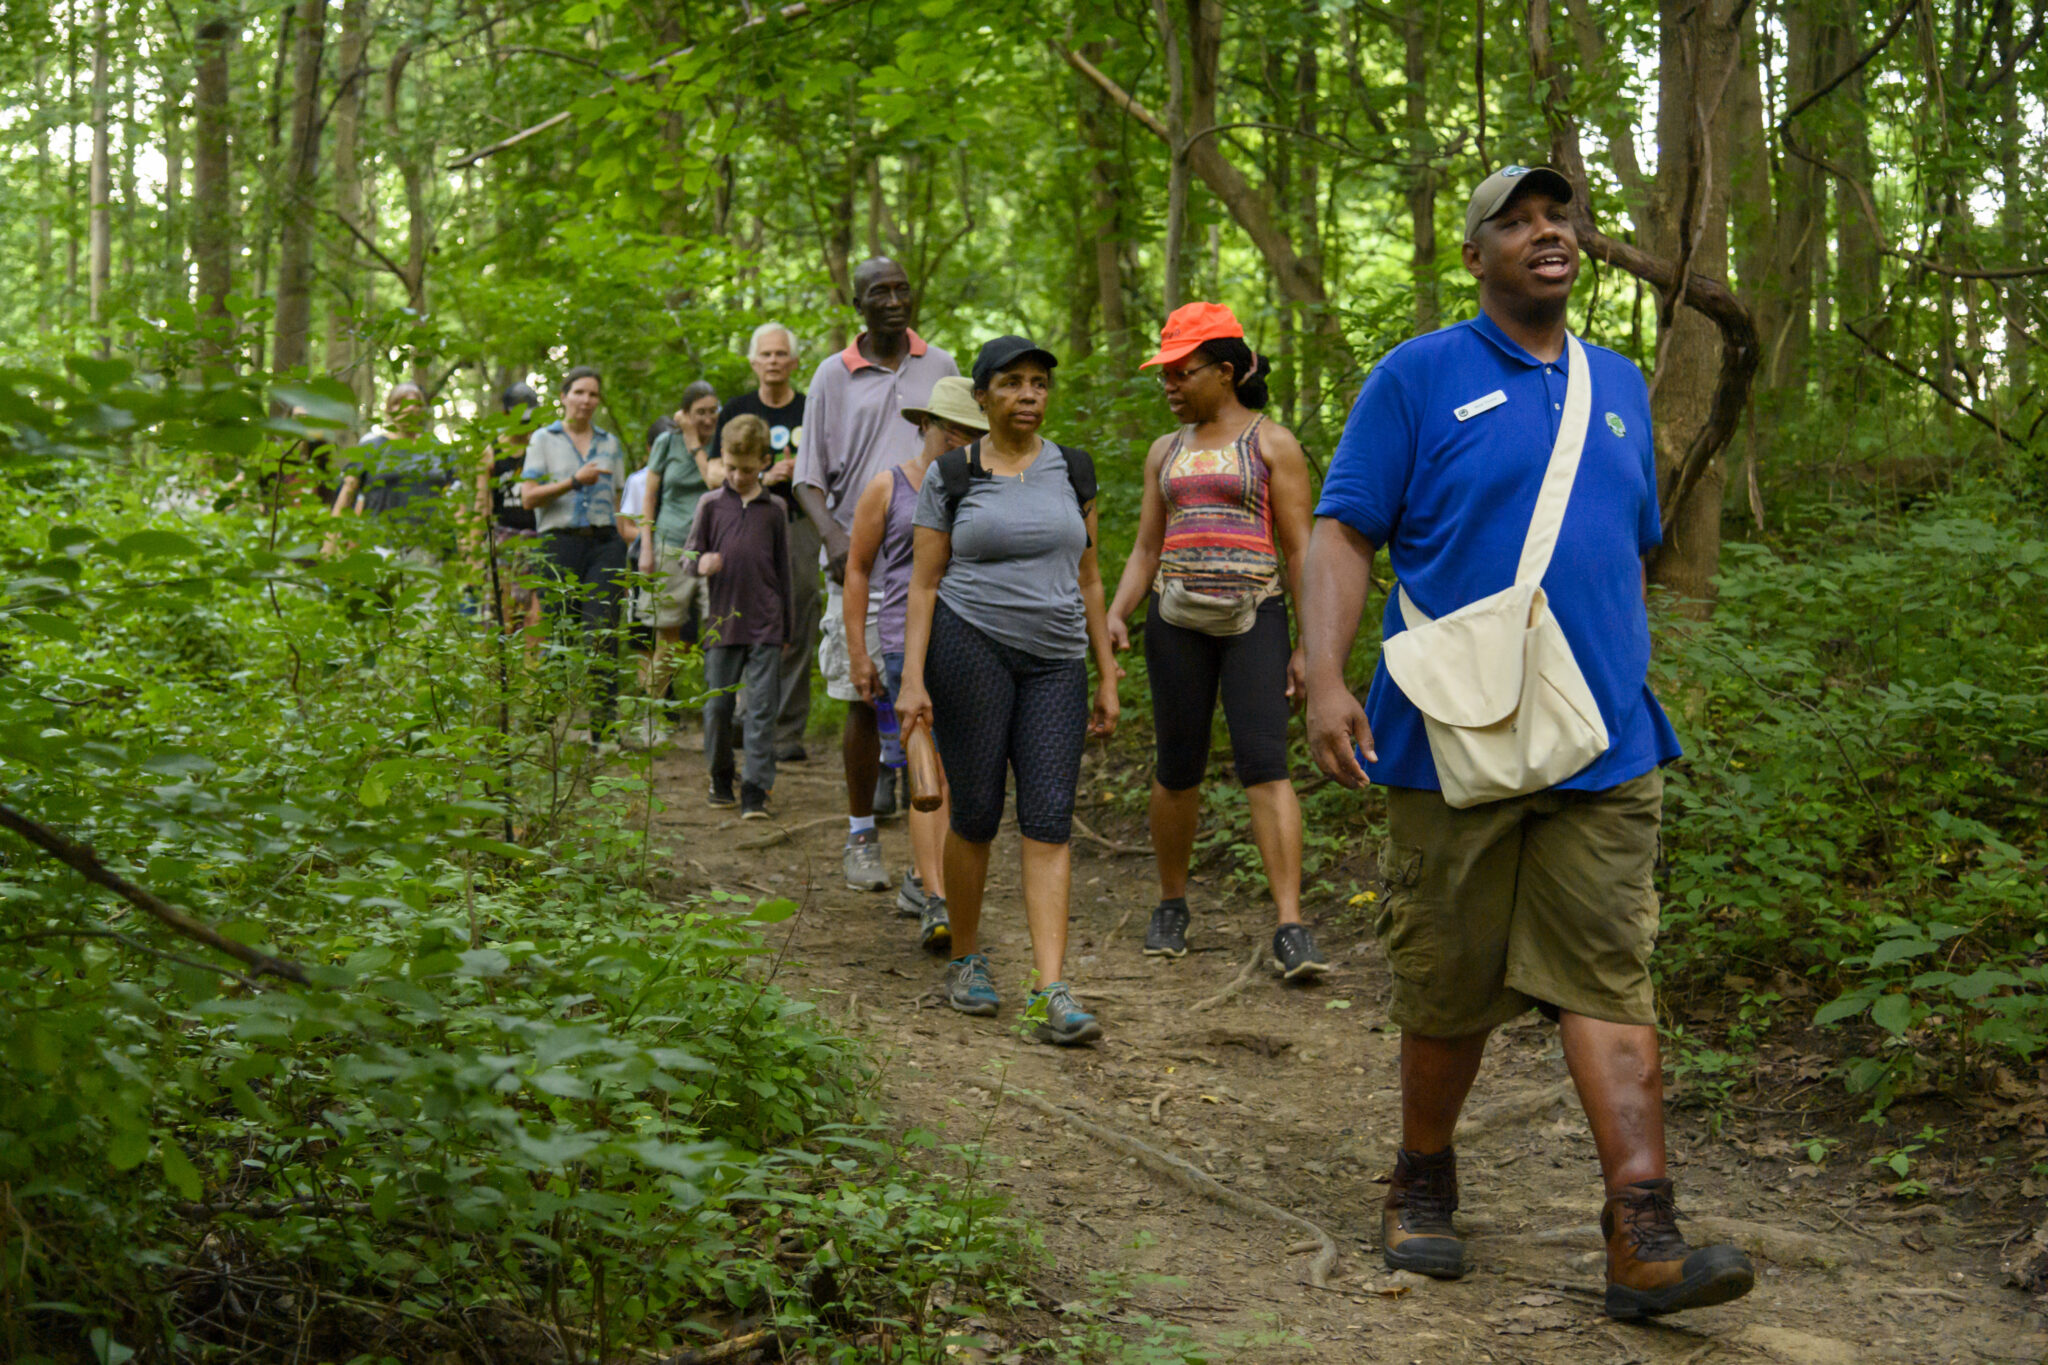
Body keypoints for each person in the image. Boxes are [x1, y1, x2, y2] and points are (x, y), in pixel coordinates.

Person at [1299, 166, 1755, 1318]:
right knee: (1446, 982)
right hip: (1450, 738)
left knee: (1610, 970)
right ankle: (1420, 1179)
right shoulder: (1415, 377)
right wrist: (1320, 679)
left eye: (1557, 218)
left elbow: (1628, 550)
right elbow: (1344, 533)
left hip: (1602, 744)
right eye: (1516, 221)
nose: (1545, 233)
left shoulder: (1617, 383)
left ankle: (1641, 1232)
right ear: (1475, 257)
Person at [895, 337, 1119, 1048]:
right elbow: (924, 585)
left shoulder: (1071, 469)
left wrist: (1108, 671)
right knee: (980, 810)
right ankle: (966, 958)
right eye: (1014, 383)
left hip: (1057, 661)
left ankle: (1051, 986)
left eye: (1040, 384)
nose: (1030, 394)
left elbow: (1089, 578)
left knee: (1050, 817)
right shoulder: (954, 475)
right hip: (970, 648)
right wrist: (910, 680)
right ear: (984, 396)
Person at [1107, 303, 1329, 981]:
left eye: (1182, 371)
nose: (1169, 384)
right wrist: (1116, 613)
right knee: (1177, 767)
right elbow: (1148, 546)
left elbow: (1301, 551)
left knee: (1265, 764)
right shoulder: (1164, 452)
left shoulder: (1272, 443)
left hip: (1254, 618)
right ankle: (1171, 904)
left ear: (1225, 371)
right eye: (1164, 374)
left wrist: (1308, 645)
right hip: (1176, 621)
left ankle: (1290, 924)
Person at [794, 260, 959, 891]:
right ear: (857, 303)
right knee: (862, 697)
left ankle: (932, 858)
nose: (893, 301)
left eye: (901, 289)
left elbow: (963, 447)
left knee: (931, 696)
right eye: (878, 293)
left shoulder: (941, 365)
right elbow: (809, 475)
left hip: (933, 559)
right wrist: (834, 537)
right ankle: (861, 831)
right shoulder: (832, 377)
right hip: (859, 562)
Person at [844, 376, 986, 953]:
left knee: (965, 773)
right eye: (952, 426)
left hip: (975, 636)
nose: (962, 438)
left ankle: (921, 879)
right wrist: (859, 651)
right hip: (908, 640)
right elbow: (857, 567)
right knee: (928, 772)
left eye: (973, 430)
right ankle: (937, 898)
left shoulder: (988, 485)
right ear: (924, 424)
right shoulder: (889, 486)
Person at [713, 325, 811, 761]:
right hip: (745, 523)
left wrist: (801, 475)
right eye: (765, 354)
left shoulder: (811, 409)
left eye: (781, 354)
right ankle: (744, 718)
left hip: (800, 523)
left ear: (793, 362)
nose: (773, 361)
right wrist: (761, 478)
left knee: (796, 622)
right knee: (741, 620)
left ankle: (786, 732)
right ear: (754, 362)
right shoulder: (736, 409)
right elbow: (714, 472)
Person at [685, 414, 791, 820]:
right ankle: (720, 777)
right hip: (721, 623)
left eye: (747, 469)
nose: (737, 476)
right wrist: (700, 564)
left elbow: (784, 572)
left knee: (762, 708)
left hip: (766, 621)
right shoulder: (710, 505)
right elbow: (686, 556)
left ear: (764, 461)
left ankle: (755, 788)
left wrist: (788, 627)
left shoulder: (775, 509)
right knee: (717, 707)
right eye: (730, 467)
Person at [520, 366, 629, 740]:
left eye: (593, 394)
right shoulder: (543, 439)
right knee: (558, 632)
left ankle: (604, 731)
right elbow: (528, 496)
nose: (586, 401)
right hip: (559, 541)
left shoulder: (610, 444)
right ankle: (546, 725)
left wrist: (630, 549)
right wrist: (572, 481)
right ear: (564, 396)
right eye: (579, 392)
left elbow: (618, 504)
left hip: (605, 544)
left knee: (602, 631)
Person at [641, 383, 721, 701]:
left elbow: (714, 480)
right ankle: (651, 714)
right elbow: (649, 496)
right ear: (685, 414)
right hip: (671, 543)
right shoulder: (665, 442)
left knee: (720, 632)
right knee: (668, 638)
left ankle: (723, 716)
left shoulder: (721, 441)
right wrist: (646, 547)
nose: (707, 418)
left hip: (714, 547)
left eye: (712, 410)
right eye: (700, 412)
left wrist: (693, 442)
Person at [329, 382, 454, 559]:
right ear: (389, 411)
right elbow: (347, 494)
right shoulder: (371, 447)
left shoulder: (438, 451)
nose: (409, 407)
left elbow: (454, 501)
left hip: (428, 552)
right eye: (400, 402)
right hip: (379, 549)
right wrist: (329, 546)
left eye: (415, 402)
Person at [476, 381, 545, 644]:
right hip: (504, 540)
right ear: (506, 414)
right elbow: (483, 503)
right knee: (501, 617)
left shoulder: (540, 447)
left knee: (535, 618)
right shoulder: (492, 452)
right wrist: (476, 548)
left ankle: (531, 680)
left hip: (538, 539)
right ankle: (500, 679)